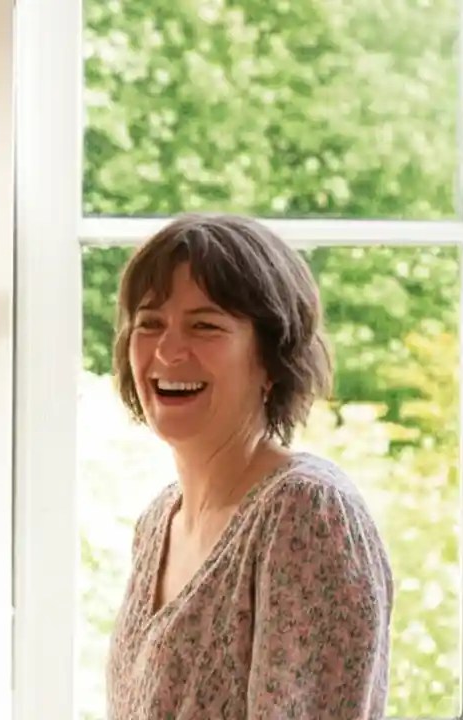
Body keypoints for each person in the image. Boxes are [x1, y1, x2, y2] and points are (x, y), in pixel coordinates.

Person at [105, 214, 394, 719]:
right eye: (149, 324)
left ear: (271, 358)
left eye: (205, 326)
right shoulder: (158, 522)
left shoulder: (305, 512)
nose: (168, 350)